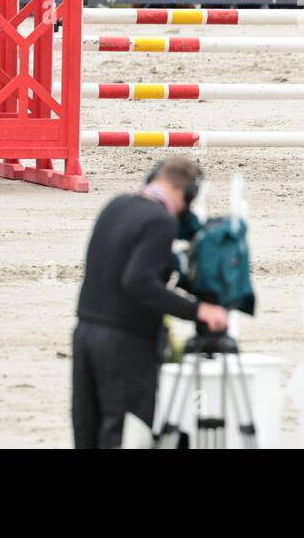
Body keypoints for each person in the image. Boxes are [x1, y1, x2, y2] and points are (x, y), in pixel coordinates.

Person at [72, 156, 229, 449]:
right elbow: (138, 281)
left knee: (86, 429)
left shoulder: (116, 205)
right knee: (119, 433)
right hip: (123, 340)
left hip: (85, 332)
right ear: (187, 193)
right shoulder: (160, 221)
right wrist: (200, 310)